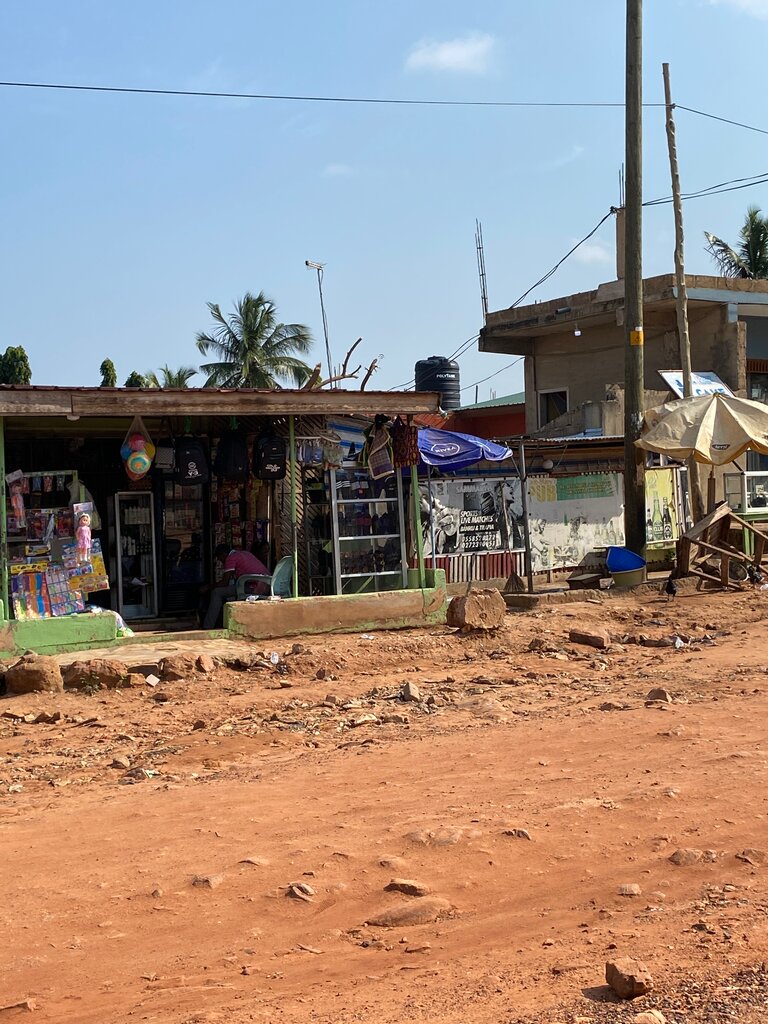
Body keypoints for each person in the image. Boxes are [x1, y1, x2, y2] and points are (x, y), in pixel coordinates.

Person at [203, 544, 270, 629]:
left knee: (217, 592)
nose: (221, 562)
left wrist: (208, 587)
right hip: (267, 585)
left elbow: (224, 583)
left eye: (220, 559)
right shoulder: (245, 553)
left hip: (255, 587)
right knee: (232, 590)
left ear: (224, 555)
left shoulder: (231, 558)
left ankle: (208, 626)